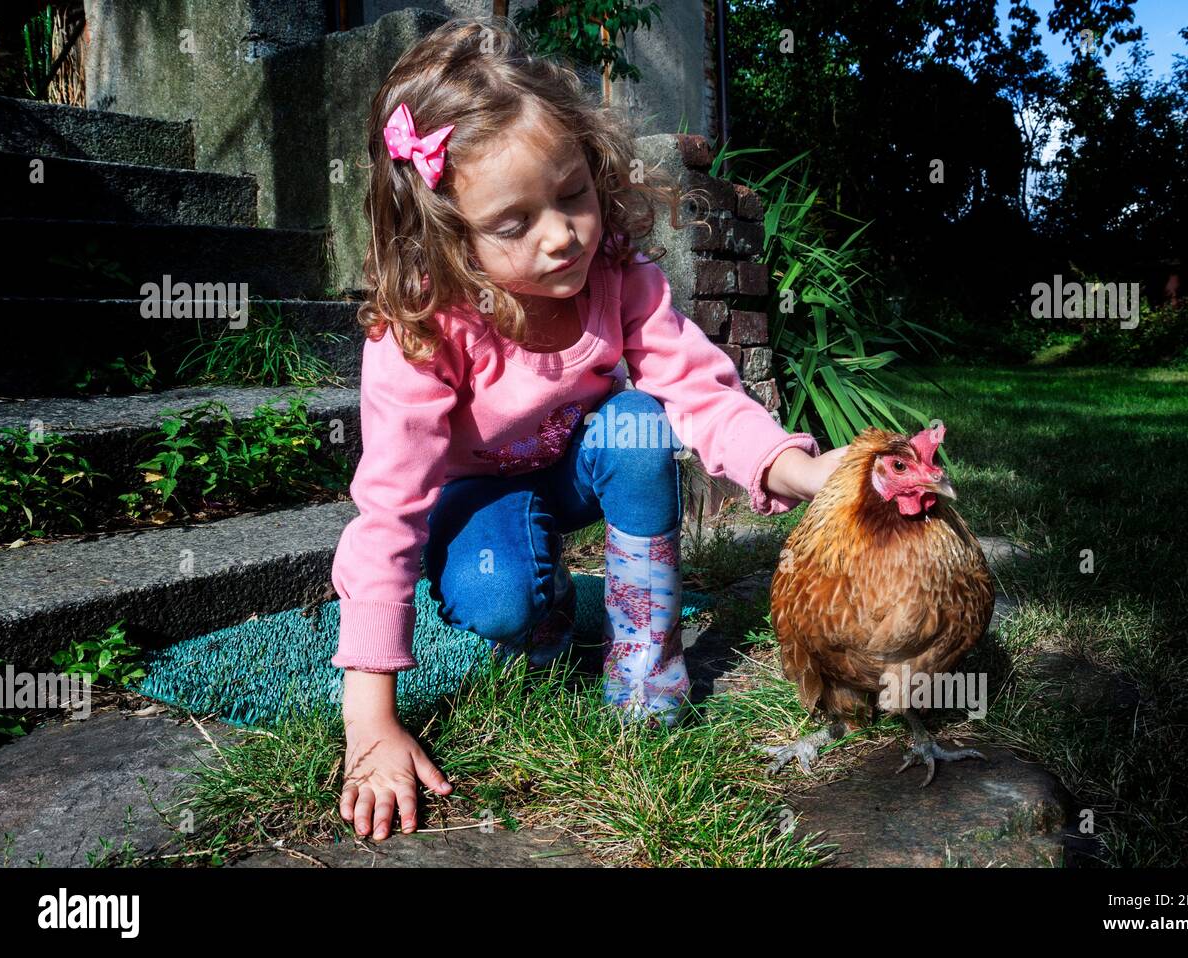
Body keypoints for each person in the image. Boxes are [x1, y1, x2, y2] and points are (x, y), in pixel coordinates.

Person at [332, 16, 846, 842]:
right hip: (474, 497)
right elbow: (390, 509)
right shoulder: (426, 328)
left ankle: (644, 670)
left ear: (594, 171)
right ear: (449, 237)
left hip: (571, 468)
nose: (561, 233)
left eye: (572, 195)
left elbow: (701, 392)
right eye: (514, 224)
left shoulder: (617, 279)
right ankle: (542, 618)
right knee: (504, 599)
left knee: (640, 421)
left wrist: (800, 469)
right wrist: (371, 723)